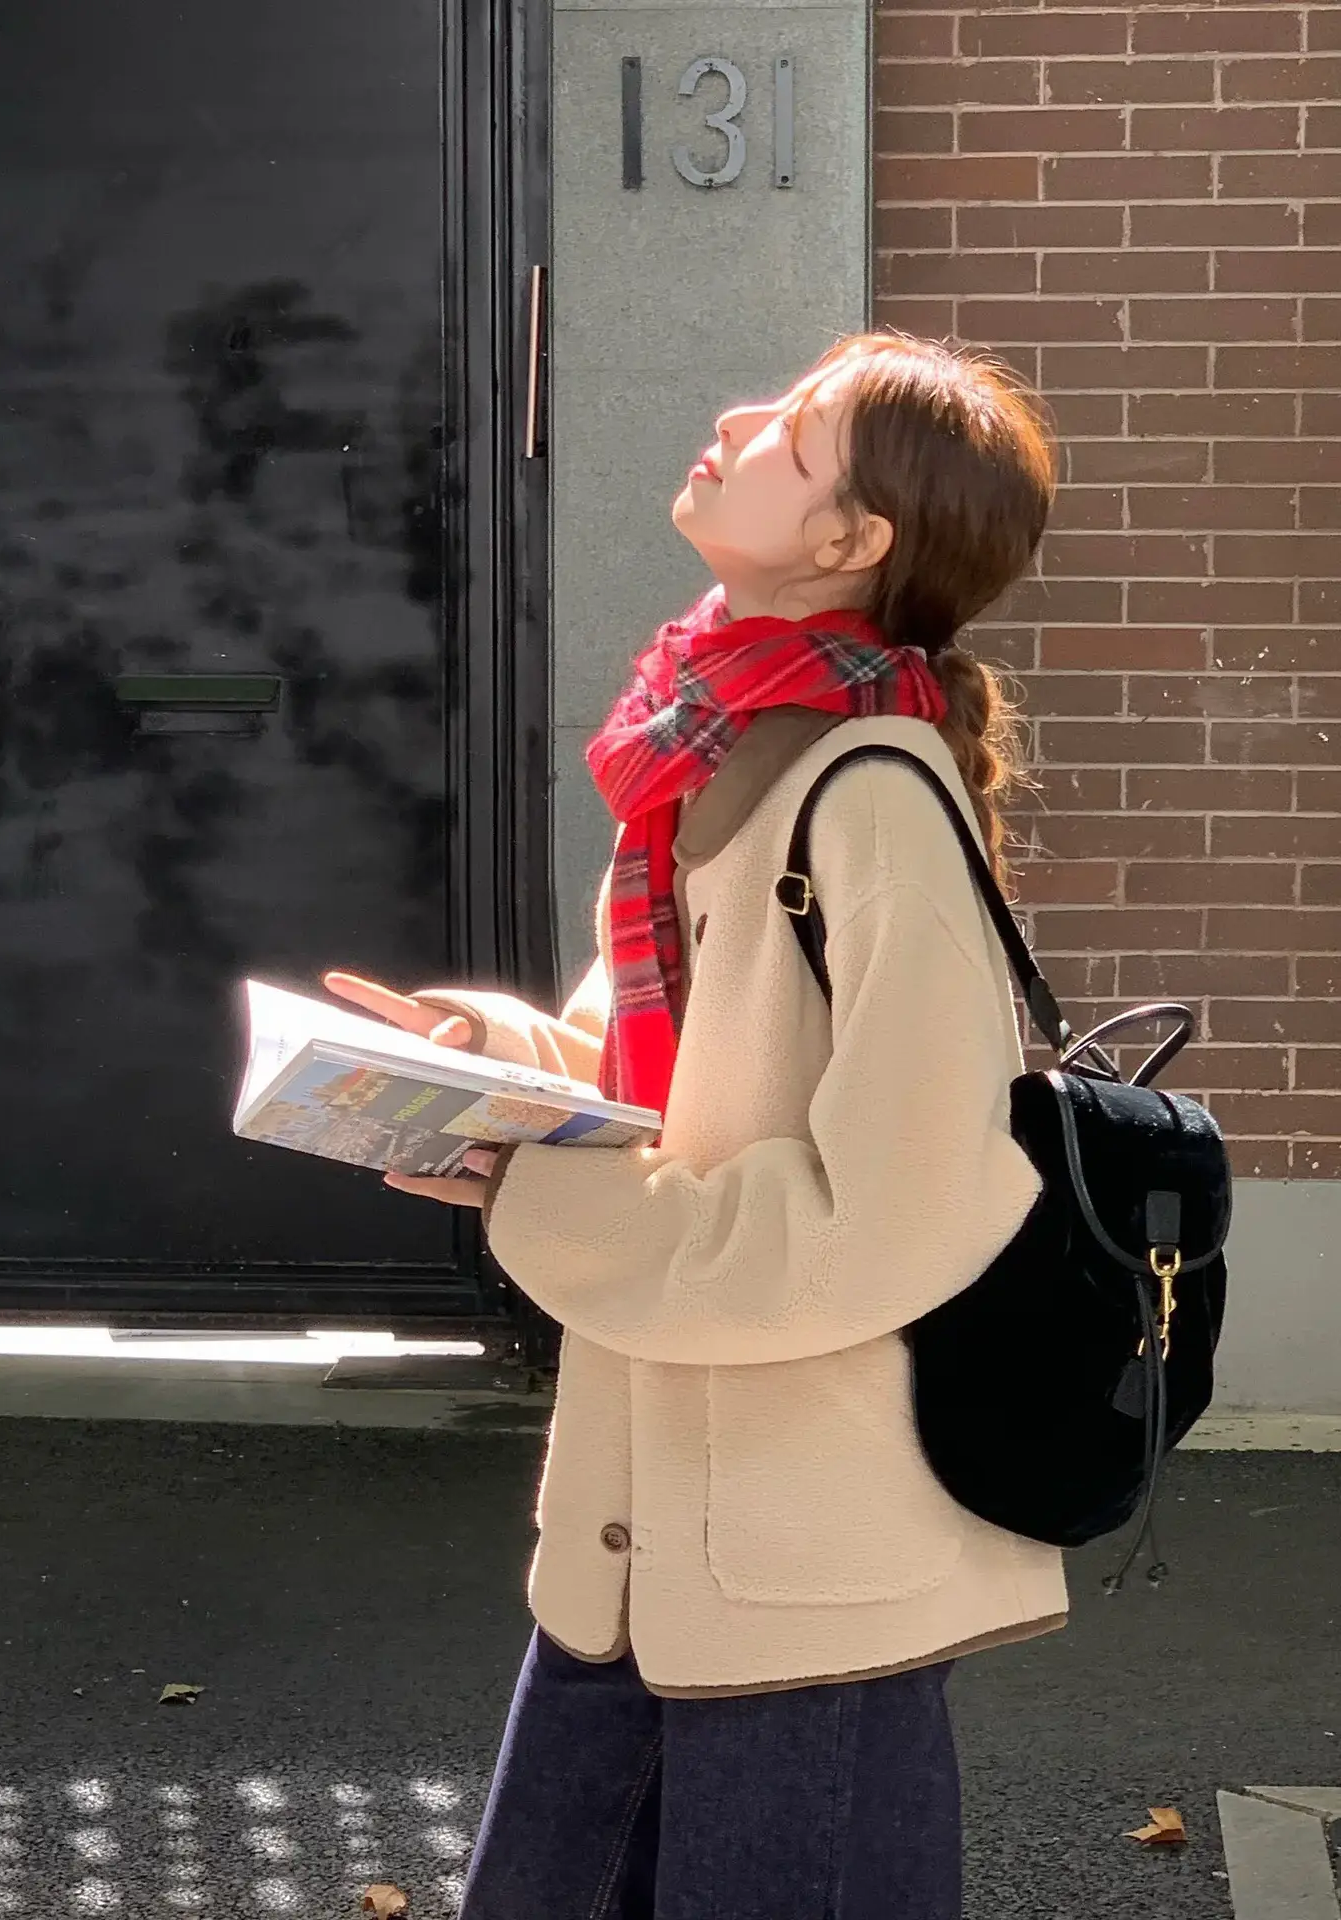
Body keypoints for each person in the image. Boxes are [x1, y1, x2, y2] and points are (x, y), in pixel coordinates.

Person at [324, 331, 1069, 1920]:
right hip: (644, 1535)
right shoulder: (712, 750)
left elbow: (904, 1208)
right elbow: (661, 1084)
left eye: (794, 433)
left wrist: (547, 1197)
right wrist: (483, 1061)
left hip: (806, 1569)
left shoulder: (873, 797)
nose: (735, 418)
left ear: (851, 541)